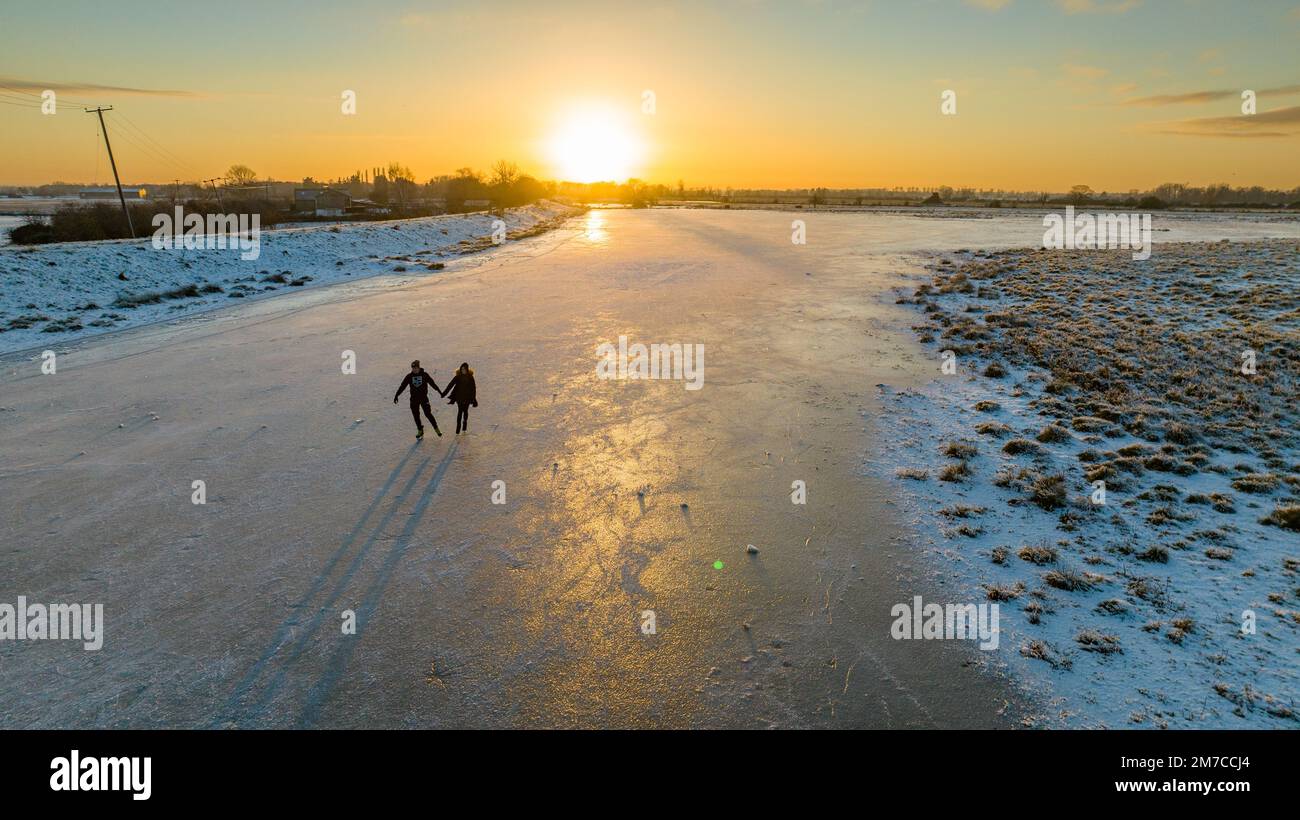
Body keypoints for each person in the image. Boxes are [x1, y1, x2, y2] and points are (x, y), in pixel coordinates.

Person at [393, 360, 442, 440]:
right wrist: (397, 395)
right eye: (413, 368)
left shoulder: (424, 375)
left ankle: (436, 428)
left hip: (423, 399)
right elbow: (402, 386)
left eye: (415, 368)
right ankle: (420, 430)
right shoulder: (409, 376)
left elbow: (432, 383)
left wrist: (439, 391)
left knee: (428, 414)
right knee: (416, 416)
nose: (414, 370)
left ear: (419, 367)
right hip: (414, 400)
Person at [441, 362, 477, 434]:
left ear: (467, 369)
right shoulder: (458, 377)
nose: (463, 370)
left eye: (464, 369)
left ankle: (464, 426)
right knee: (460, 412)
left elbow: (473, 388)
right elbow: (450, 385)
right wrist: (444, 393)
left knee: (465, 411)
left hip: (467, 398)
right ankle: (458, 429)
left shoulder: (470, 377)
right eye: (462, 369)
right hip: (459, 397)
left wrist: (474, 398)